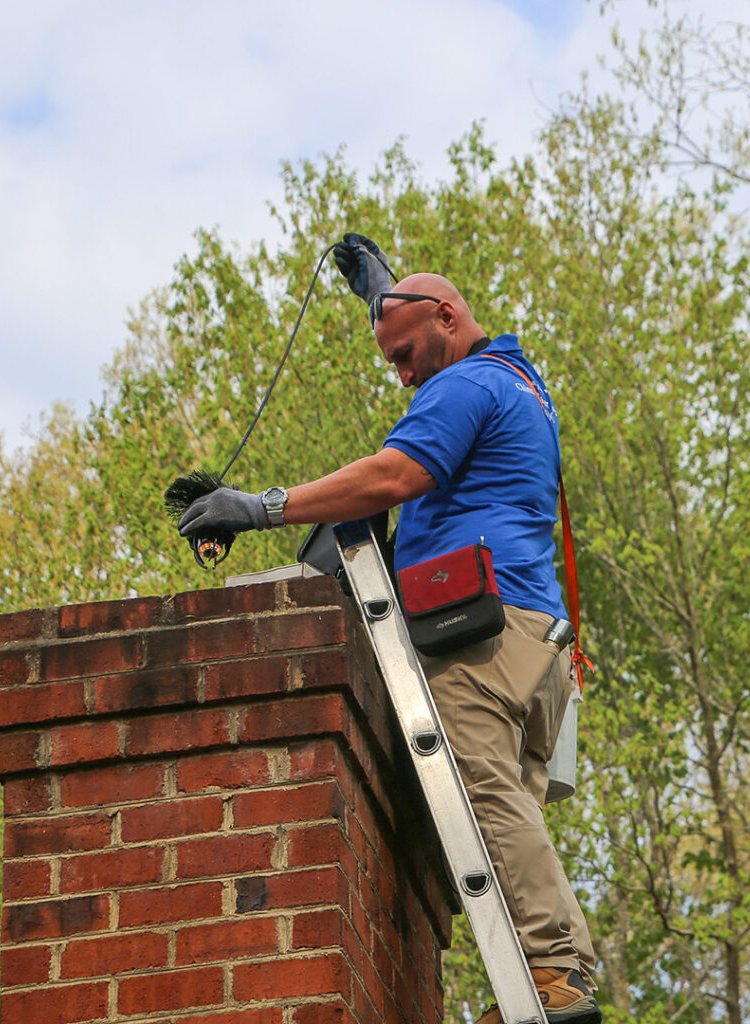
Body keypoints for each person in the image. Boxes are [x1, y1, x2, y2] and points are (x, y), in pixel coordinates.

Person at [178, 234, 600, 1024]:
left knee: (480, 792)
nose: (403, 376)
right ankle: (557, 969)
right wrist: (381, 294)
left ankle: (553, 974)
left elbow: (393, 475)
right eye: (392, 361)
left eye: (405, 355)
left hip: (485, 635)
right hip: (535, 642)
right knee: (506, 810)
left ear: (448, 319)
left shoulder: (465, 385)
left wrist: (262, 507)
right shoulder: (514, 380)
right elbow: (420, 322)